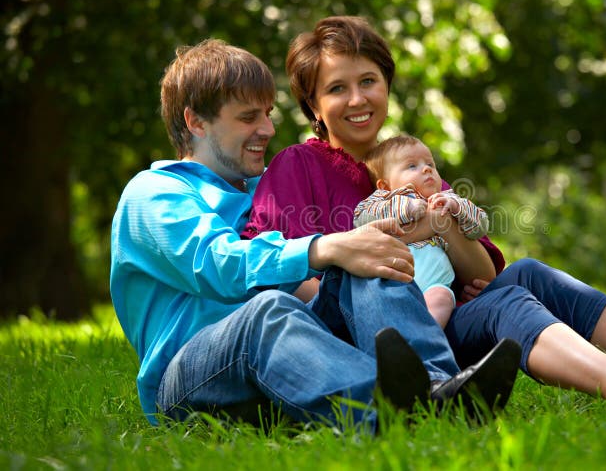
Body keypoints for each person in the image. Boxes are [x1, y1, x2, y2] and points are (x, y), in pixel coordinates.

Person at [242, 16, 606, 420]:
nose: (357, 100)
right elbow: (272, 268)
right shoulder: (297, 164)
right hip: (361, 337)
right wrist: (353, 285)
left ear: (387, 85)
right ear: (313, 102)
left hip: (437, 322)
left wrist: (441, 223)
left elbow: (483, 279)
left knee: (524, 276)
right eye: (337, 88)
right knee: (442, 286)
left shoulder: (407, 163)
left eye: (368, 81)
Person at [108, 39, 522, 433]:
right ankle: (399, 412)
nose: (268, 129)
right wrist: (325, 247)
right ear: (195, 121)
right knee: (269, 305)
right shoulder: (154, 193)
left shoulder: (263, 188)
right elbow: (219, 265)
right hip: (191, 381)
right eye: (249, 117)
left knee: (366, 255)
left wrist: (358, 249)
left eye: (268, 113)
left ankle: (440, 385)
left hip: (291, 366)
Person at [353, 135, 489, 328]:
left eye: (430, 164)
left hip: (433, 287)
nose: (426, 169)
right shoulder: (384, 200)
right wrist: (407, 208)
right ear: (384, 185)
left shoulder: (446, 199)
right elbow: (361, 219)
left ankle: (427, 338)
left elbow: (480, 226)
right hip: (392, 282)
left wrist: (457, 209)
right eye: (411, 166)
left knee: (442, 298)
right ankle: (403, 340)